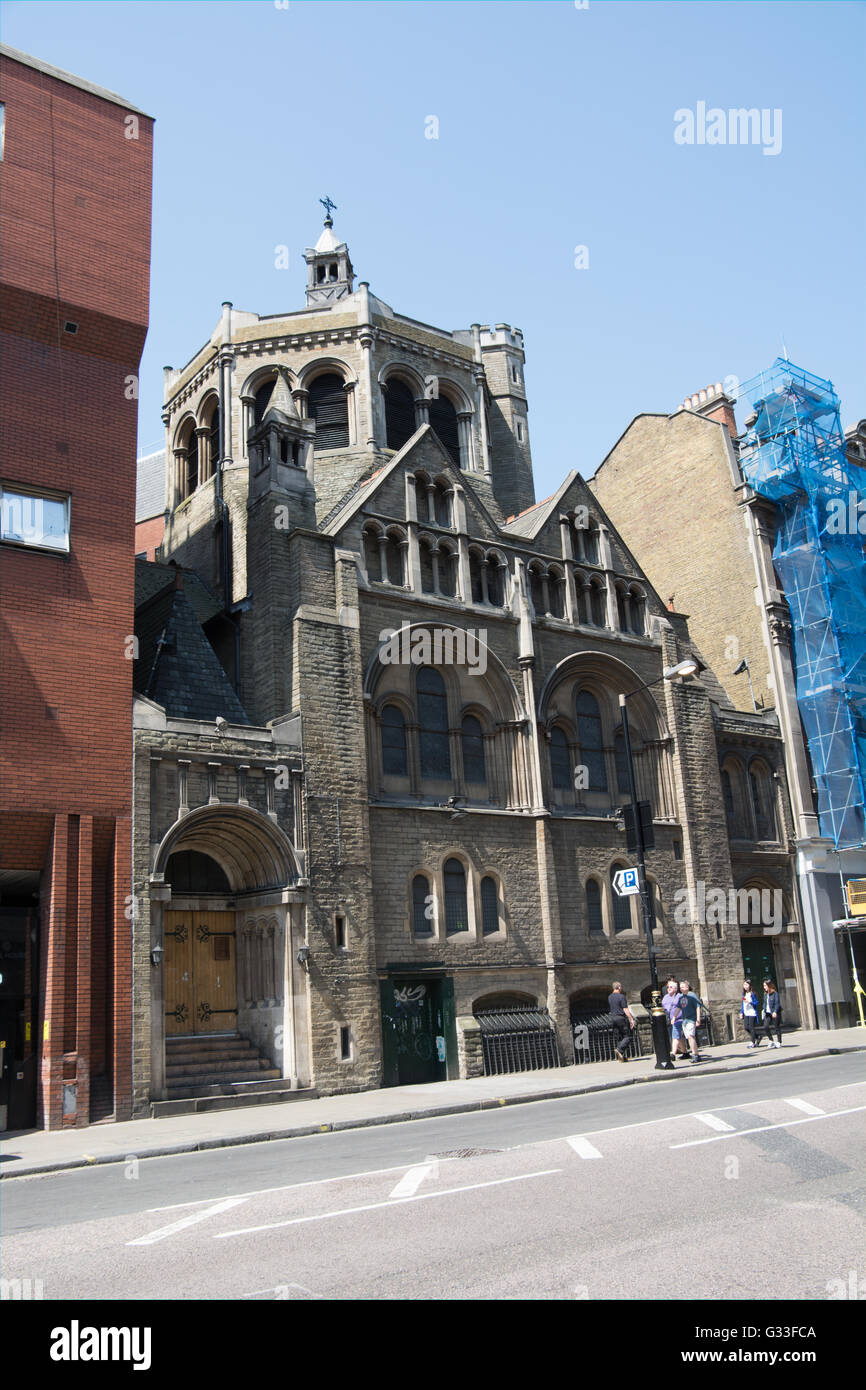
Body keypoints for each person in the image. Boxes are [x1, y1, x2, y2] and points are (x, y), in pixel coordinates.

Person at [608, 981, 636, 1062]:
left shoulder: (610, 997)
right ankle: (619, 1050)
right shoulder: (621, 996)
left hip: (613, 1018)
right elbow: (625, 1009)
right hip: (621, 1018)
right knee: (628, 1036)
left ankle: (621, 1057)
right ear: (619, 987)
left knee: (620, 1038)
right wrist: (631, 1019)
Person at [678, 979, 703, 1062]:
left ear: (687, 987)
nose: (681, 988)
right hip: (684, 1020)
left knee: (690, 1036)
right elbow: (678, 1007)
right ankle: (695, 1054)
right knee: (689, 1037)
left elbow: (697, 1007)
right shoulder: (681, 997)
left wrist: (698, 1019)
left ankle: (695, 1054)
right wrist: (674, 1017)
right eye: (680, 987)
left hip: (691, 1019)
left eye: (683, 987)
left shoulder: (692, 995)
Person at [662, 977, 686, 1060]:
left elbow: (684, 1007)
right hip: (670, 1020)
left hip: (679, 1019)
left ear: (675, 989)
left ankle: (673, 1054)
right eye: (668, 987)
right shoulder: (665, 997)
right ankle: (685, 1052)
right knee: (678, 1036)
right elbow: (664, 1008)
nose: (668, 989)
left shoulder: (680, 996)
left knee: (675, 1035)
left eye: (671, 987)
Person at [762, 979, 782, 1047]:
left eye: (765, 985)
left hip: (774, 1012)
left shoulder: (775, 993)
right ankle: (771, 1040)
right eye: (764, 986)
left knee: (777, 1027)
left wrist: (775, 1011)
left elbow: (777, 1003)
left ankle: (779, 1042)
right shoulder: (765, 994)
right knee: (766, 1026)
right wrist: (764, 1008)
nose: (764, 987)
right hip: (767, 1013)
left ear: (769, 986)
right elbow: (765, 1003)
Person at [741, 979, 761, 1049]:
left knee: (751, 1027)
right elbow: (742, 1004)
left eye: (746, 985)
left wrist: (750, 1002)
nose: (745, 986)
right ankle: (758, 1036)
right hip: (746, 1013)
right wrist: (741, 1012)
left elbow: (756, 1003)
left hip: (752, 1012)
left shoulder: (752, 994)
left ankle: (752, 1042)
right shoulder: (744, 994)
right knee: (746, 1027)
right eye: (744, 985)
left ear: (750, 985)